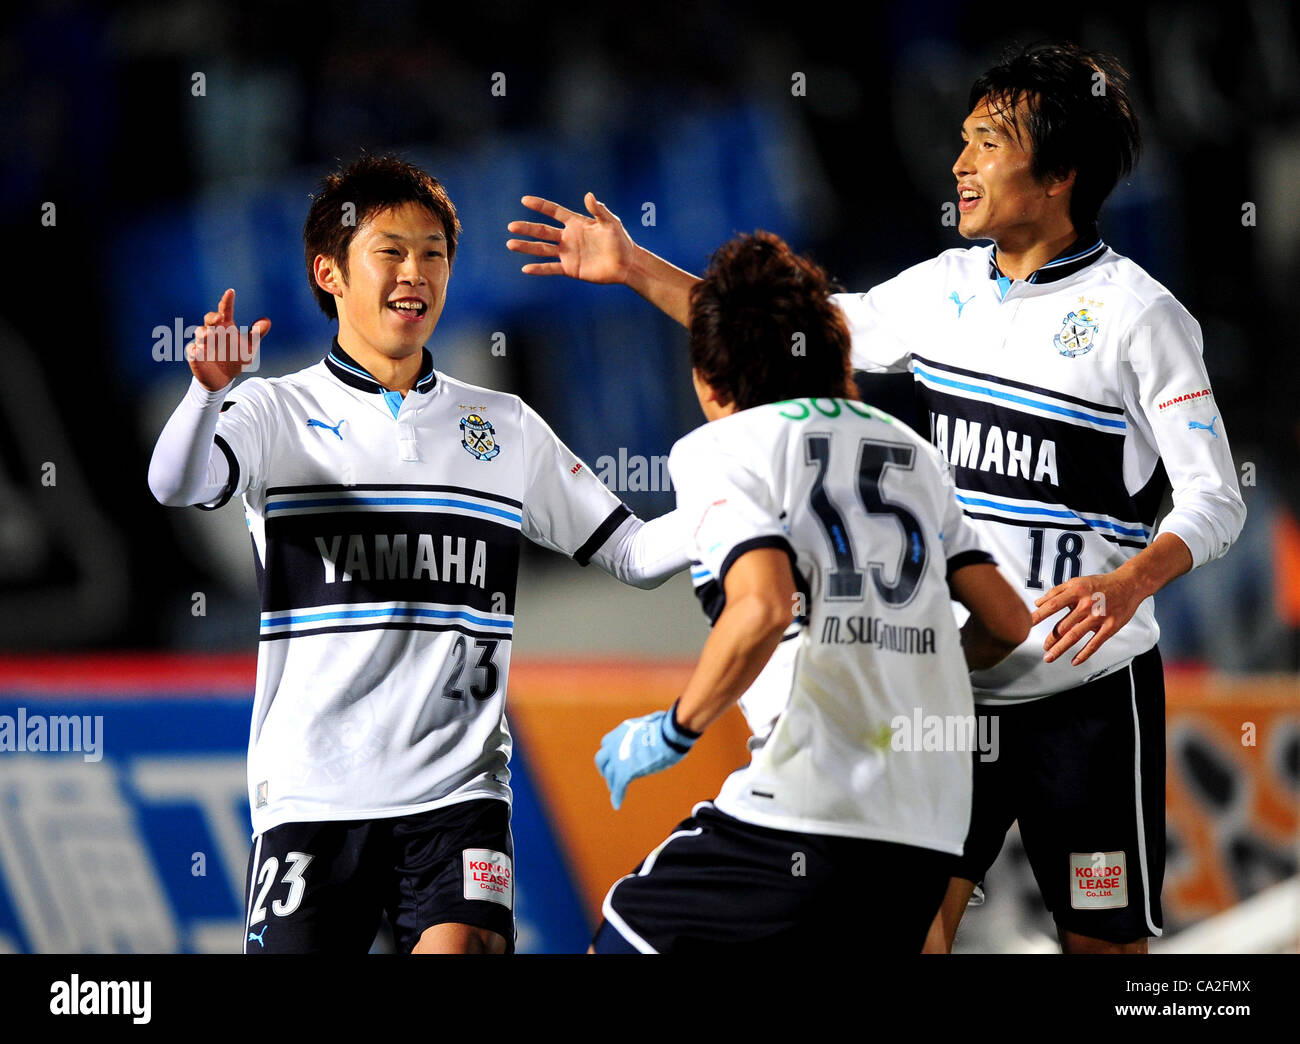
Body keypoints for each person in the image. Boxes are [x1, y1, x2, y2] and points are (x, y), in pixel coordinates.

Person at [507, 42, 1246, 954]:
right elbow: (777, 336)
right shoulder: (939, 292)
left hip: (1087, 694)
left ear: (1059, 173)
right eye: (964, 141)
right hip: (952, 691)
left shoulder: (1142, 318)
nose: (959, 164)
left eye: (986, 143)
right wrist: (633, 268)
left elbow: (1217, 500)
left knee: (1103, 953)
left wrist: (1132, 583)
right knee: (908, 937)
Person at [148, 155, 687, 954]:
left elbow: (637, 553)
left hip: (458, 794)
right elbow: (176, 482)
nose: (415, 273)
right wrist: (205, 393)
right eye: (390, 252)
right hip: (314, 796)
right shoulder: (274, 410)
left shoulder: (502, 425)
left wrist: (743, 492)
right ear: (329, 272)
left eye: (433, 253)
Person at [585, 230, 1029, 952]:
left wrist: (673, 729)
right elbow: (1008, 621)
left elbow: (761, 606)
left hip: (806, 810)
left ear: (707, 382)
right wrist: (915, 656)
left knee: (625, 939)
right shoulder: (911, 452)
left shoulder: (720, 449)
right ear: (835, 354)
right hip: (929, 832)